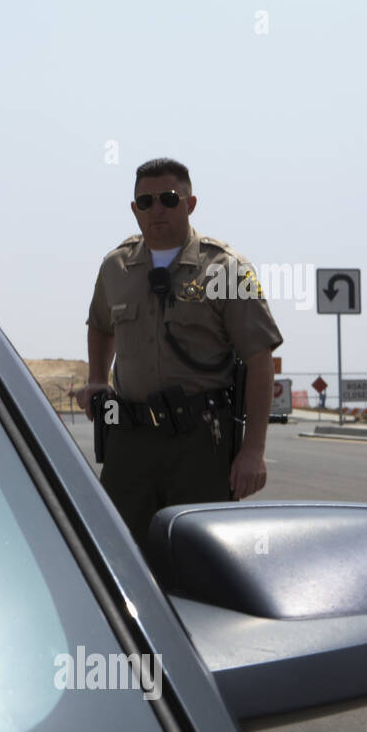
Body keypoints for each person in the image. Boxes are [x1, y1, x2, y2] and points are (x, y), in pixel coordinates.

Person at [74, 158, 283, 545]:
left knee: (201, 560)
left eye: (169, 199)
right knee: (119, 557)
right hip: (129, 443)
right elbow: (101, 325)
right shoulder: (115, 268)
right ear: (134, 209)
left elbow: (259, 360)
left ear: (190, 204)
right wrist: (97, 380)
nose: (157, 210)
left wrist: (253, 451)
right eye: (145, 201)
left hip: (199, 444)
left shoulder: (226, 269)